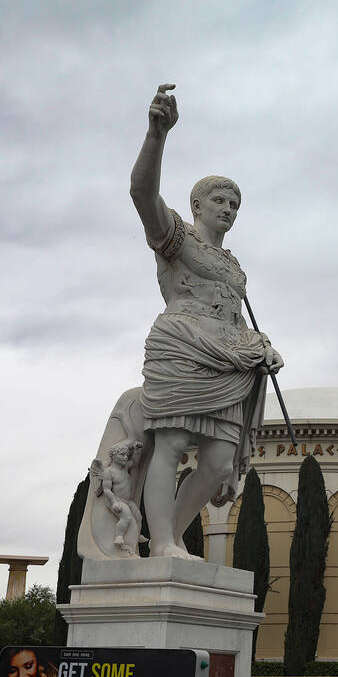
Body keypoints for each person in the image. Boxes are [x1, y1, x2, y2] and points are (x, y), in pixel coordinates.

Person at [129, 84, 283, 558]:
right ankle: (162, 546)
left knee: (218, 462)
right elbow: (141, 191)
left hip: (229, 358)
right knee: (171, 444)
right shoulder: (174, 237)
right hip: (183, 344)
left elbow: (238, 318)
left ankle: (166, 539)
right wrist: (157, 134)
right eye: (220, 201)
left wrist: (262, 346)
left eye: (234, 205)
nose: (228, 210)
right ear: (197, 205)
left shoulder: (235, 266)